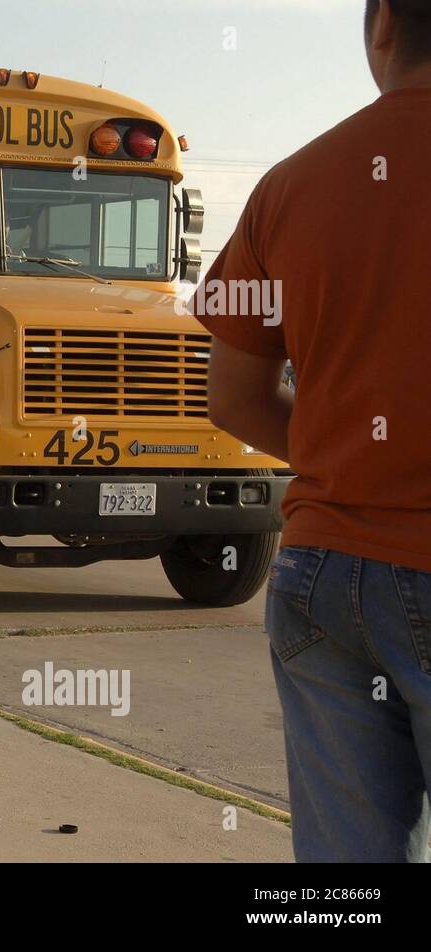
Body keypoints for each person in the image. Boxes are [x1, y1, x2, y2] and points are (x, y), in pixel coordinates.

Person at [196, 0, 431, 861]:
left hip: (323, 574)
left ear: (383, 27)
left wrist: (352, 458)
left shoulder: (288, 187)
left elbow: (233, 398)